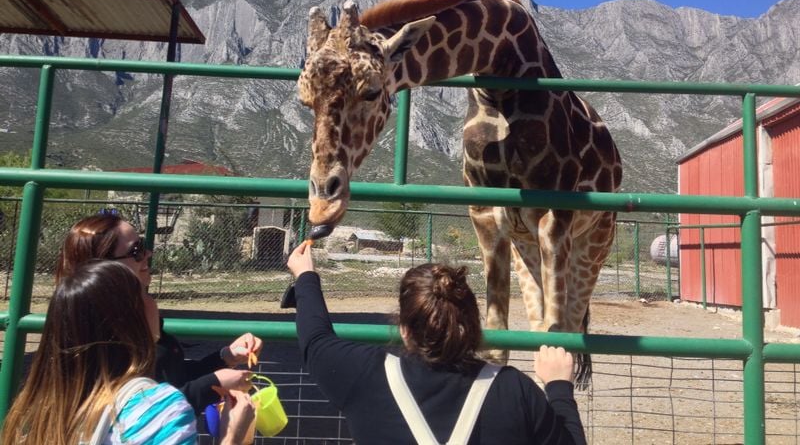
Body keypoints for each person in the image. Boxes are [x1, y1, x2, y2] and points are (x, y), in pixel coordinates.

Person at [287, 240, 586, 445]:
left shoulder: (364, 375)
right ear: (472, 327)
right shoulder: (514, 390)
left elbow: (315, 338)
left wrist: (306, 276)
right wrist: (559, 387)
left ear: (404, 329)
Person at [0, 260, 255, 445]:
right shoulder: (158, 409)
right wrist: (231, 435)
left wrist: (223, 358)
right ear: (129, 319)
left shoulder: (32, 411)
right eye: (145, 293)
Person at [55, 211, 263, 414]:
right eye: (136, 250)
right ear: (104, 265)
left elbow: (170, 379)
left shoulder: (133, 314)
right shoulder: (102, 335)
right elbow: (142, 414)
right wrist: (213, 385)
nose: (147, 254)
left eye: (143, 245)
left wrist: (225, 357)